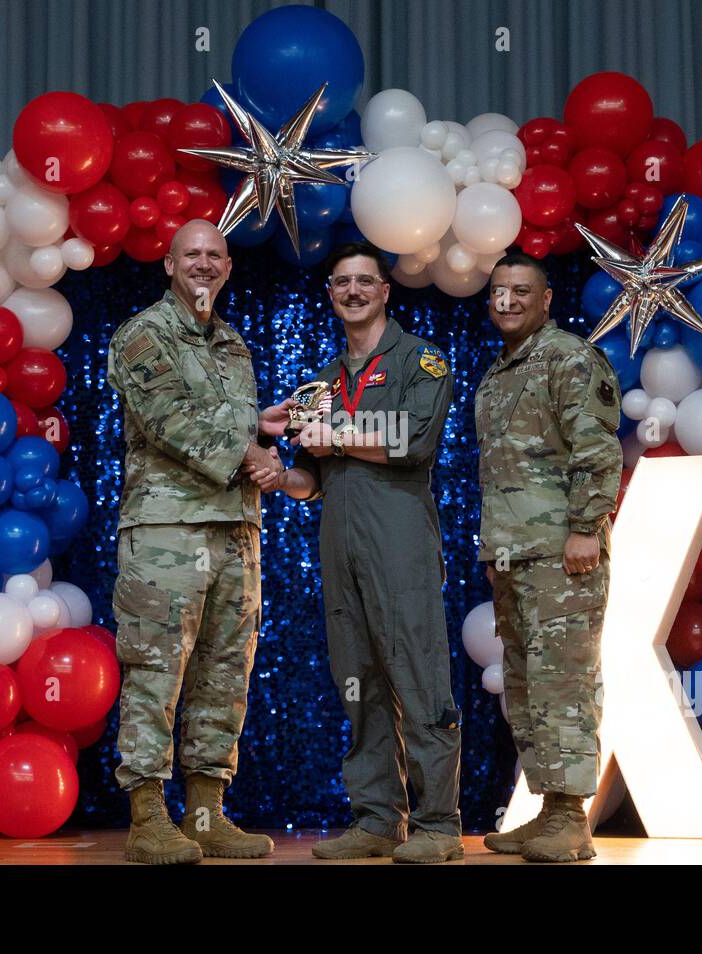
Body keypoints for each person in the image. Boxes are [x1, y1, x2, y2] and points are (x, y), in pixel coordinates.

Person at [251, 241, 463, 864]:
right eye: (342, 283)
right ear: (331, 294)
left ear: (385, 291)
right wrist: (276, 474)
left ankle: (439, 826)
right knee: (359, 686)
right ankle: (376, 819)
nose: (353, 291)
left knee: (420, 683)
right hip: (340, 549)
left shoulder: (420, 360)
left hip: (399, 547)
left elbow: (414, 440)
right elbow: (311, 477)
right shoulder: (322, 382)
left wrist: (334, 434)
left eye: (365, 281)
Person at [107, 219, 291, 865]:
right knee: (155, 673)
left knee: (223, 675)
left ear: (228, 266)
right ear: (169, 264)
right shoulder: (142, 334)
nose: (204, 264)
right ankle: (149, 817)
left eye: (215, 255)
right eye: (192, 254)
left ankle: (208, 814)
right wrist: (251, 452)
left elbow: (221, 419)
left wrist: (260, 424)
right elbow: (170, 419)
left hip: (236, 531)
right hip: (166, 531)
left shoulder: (233, 344)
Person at [474, 252, 623, 863]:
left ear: (545, 298)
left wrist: (587, 527)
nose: (507, 301)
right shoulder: (499, 372)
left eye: (520, 291)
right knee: (529, 686)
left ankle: (570, 819)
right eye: (498, 291)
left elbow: (596, 447)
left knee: (564, 681)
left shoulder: (569, 358)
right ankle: (545, 808)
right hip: (515, 555)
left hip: (565, 554)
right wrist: (497, 550)